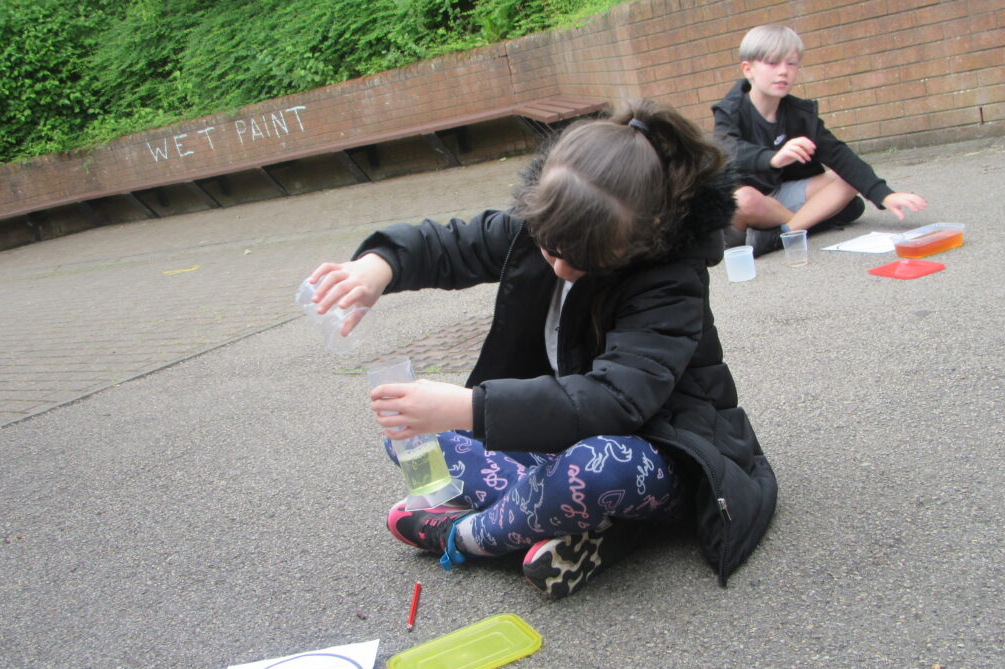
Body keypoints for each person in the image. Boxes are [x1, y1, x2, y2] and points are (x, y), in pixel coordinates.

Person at [306, 99, 776, 598]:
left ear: (646, 236)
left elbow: (612, 402)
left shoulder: (670, 282)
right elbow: (450, 245)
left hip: (658, 452)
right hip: (563, 435)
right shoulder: (544, 226)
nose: (559, 266)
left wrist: (468, 407)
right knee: (412, 434)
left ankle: (469, 535)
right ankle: (578, 525)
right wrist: (379, 266)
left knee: (592, 469)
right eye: (551, 248)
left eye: (583, 260)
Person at [712, 24, 927, 256]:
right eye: (772, 63)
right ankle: (820, 217)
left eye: (791, 63)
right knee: (743, 199)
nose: (783, 71)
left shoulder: (799, 114)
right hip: (753, 201)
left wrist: (884, 194)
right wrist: (772, 158)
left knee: (846, 178)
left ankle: (783, 233)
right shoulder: (730, 110)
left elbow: (839, 155)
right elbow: (726, 151)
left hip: (788, 195)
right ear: (748, 69)